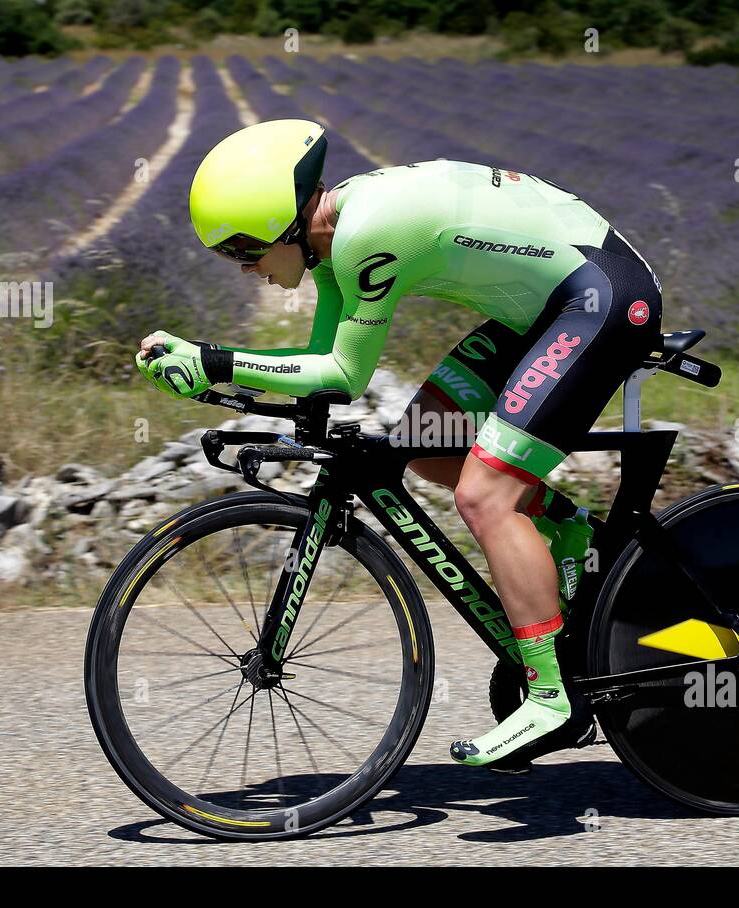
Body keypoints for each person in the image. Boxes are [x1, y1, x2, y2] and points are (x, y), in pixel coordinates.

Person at [136, 119, 664, 770]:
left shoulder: (366, 235)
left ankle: (552, 697)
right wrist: (220, 378)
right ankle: (571, 532)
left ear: (283, 222)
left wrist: (215, 361)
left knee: (485, 495)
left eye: (244, 250)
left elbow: (343, 376)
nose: (246, 270)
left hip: (600, 302)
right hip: (545, 310)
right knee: (426, 442)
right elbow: (320, 365)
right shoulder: (333, 242)